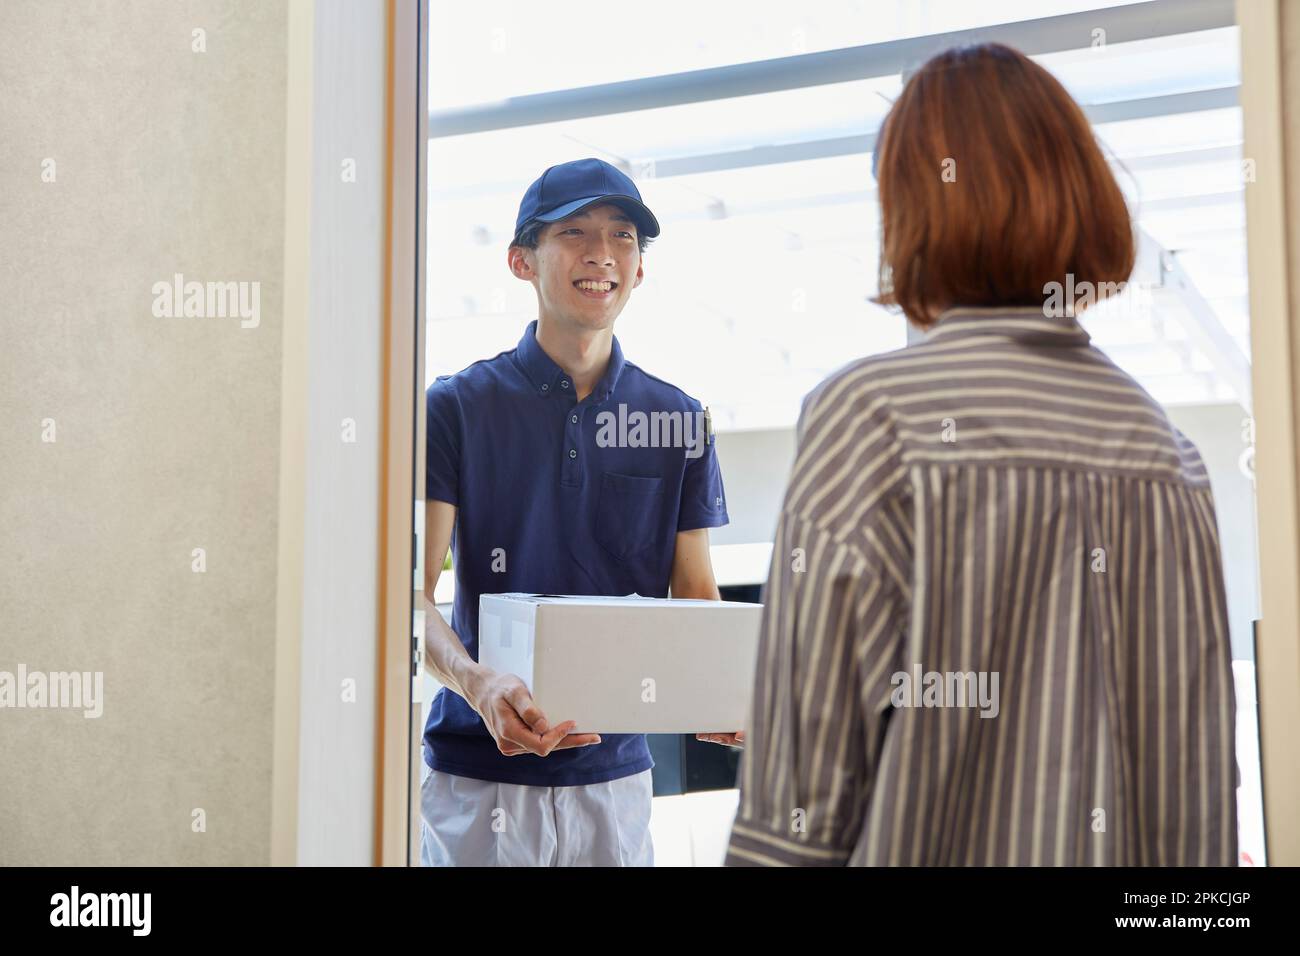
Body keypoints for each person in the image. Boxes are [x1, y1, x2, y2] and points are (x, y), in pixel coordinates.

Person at [726, 43, 1237, 866]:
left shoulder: (871, 418)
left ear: (912, 213)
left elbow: (799, 805)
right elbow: (1200, 795)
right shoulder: (1169, 456)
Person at [420, 157, 740, 867]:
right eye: (575, 232)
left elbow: (694, 593)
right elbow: (411, 601)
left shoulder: (679, 419)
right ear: (520, 261)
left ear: (640, 269)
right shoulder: (454, 409)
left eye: (623, 236)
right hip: (476, 779)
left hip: (615, 781)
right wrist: (477, 683)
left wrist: (725, 692)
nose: (602, 253)